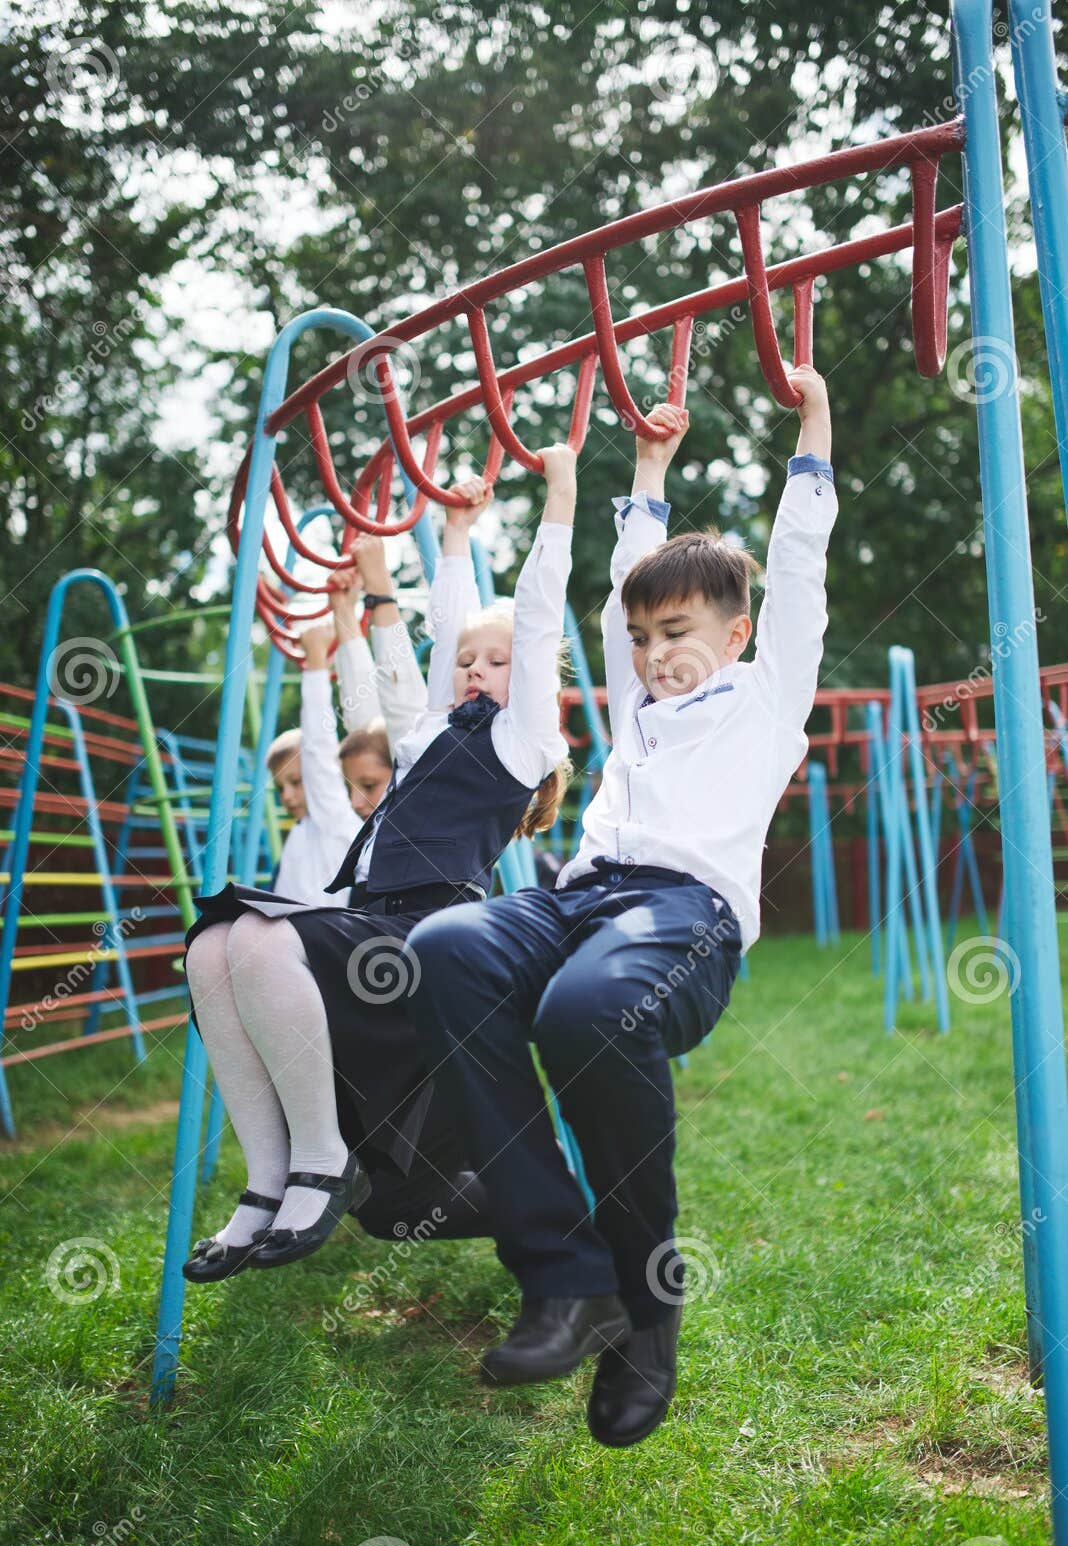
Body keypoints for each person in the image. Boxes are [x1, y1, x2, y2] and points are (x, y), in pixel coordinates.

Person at [405, 369, 836, 1447]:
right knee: (445, 943)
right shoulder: (636, 695)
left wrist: (813, 422)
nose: (653, 656)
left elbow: (797, 561)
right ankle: (566, 1276)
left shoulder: (772, 691)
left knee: (586, 1014)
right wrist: (648, 466)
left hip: (684, 922)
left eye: (678, 632)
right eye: (642, 640)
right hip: (581, 895)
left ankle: (649, 1309)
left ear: (738, 634)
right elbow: (615, 591)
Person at [180, 457, 575, 1282]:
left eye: (498, 662)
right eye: (469, 659)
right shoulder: (428, 726)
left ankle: (323, 1158)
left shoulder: (521, 742)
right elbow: (417, 649)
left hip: (432, 932)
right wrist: (456, 533)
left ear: (534, 679)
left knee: (256, 937)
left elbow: (537, 618)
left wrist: (560, 492)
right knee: (210, 944)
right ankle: (265, 1178)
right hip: (376, 919)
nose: (477, 668)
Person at [266, 553, 426, 907]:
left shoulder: (337, 817)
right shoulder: (316, 827)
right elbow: (363, 726)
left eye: (299, 780)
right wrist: (343, 610)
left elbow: (320, 751)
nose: (355, 801)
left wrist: (316, 664)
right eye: (282, 786)